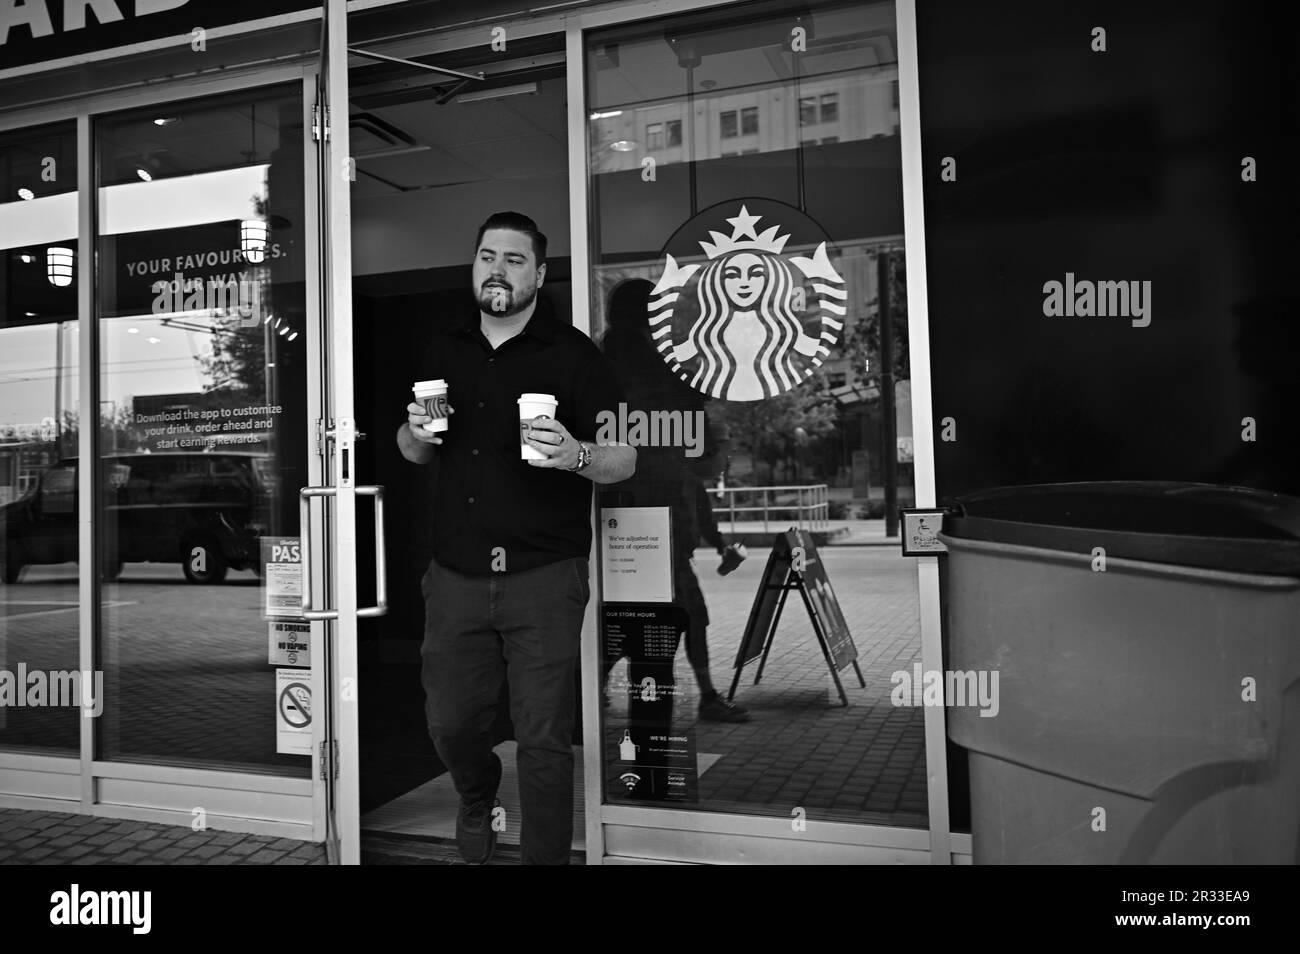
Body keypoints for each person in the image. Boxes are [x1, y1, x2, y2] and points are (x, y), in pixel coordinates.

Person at [398, 211, 635, 865]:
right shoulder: (443, 350)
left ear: (539, 273)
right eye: (486, 256)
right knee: (449, 722)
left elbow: (624, 457)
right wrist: (416, 434)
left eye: (513, 258)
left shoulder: (576, 356)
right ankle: (478, 798)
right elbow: (410, 448)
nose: (496, 269)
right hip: (455, 577)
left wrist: (578, 456)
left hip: (544, 576)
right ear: (473, 265)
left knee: (543, 738)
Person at [600, 278, 749, 722]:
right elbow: (703, 394)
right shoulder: (653, 365)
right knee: (661, 629)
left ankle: (590, 699)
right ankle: (667, 726)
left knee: (631, 627)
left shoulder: (606, 359)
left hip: (625, 528)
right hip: (655, 533)